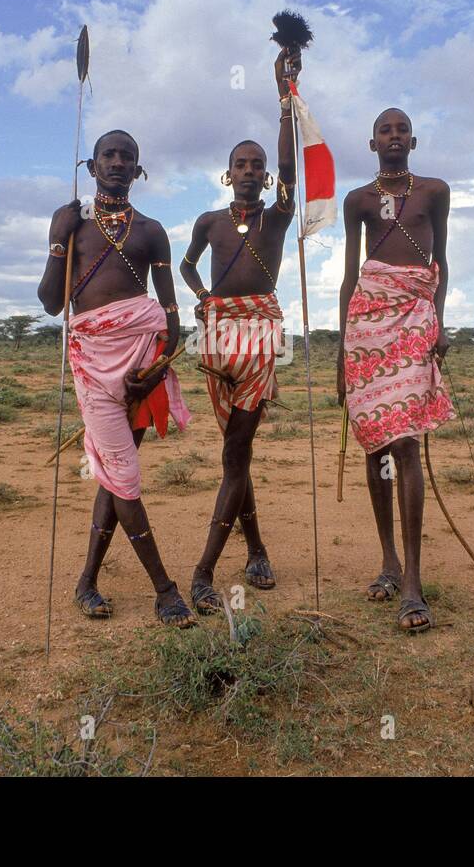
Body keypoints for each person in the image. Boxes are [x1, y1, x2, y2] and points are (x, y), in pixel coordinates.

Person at [38, 129, 195, 627]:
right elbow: (49, 303)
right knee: (124, 476)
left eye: (127, 157)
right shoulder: (72, 227)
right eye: (109, 154)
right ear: (92, 165)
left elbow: (172, 317)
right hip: (92, 362)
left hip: (142, 362)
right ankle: (165, 590)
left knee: (114, 474)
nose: (118, 162)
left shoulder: (151, 231)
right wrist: (57, 242)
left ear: (138, 168)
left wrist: (152, 376)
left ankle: (86, 581)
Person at [177, 49, 300, 614]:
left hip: (260, 335)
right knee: (236, 452)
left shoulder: (277, 217)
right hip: (217, 337)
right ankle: (256, 549)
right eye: (241, 165)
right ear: (229, 175)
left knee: (236, 451)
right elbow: (185, 266)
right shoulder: (209, 222)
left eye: (258, 166)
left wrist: (284, 100)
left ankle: (203, 572)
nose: (251, 171)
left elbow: (293, 173)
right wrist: (203, 300)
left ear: (267, 177)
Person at [337, 108, 454, 632]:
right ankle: (387, 561)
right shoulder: (358, 201)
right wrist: (344, 352)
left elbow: (441, 264)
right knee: (376, 443)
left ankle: (412, 581)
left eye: (401, 129)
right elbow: (348, 277)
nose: (394, 136)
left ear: (414, 140)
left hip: (414, 319)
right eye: (385, 130)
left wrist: (440, 323)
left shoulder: (434, 192)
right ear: (371, 142)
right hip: (367, 324)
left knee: (406, 442)